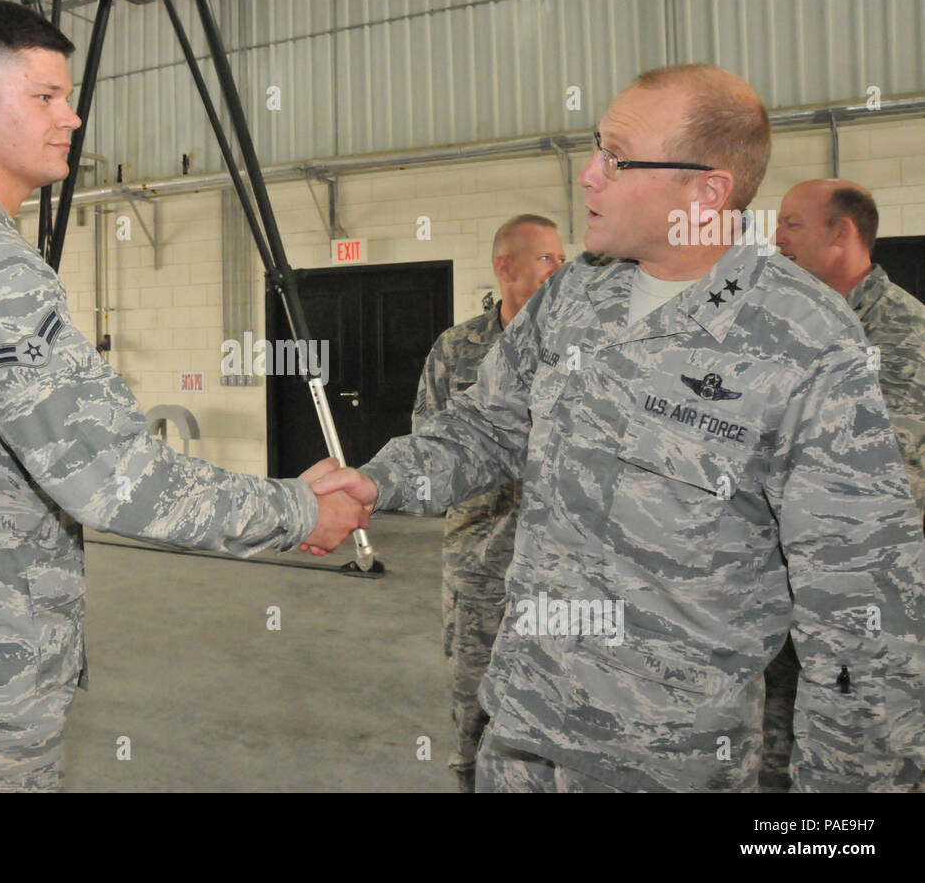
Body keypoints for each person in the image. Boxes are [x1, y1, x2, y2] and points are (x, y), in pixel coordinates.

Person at [305, 63, 925, 792]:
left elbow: (861, 612)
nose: (588, 175)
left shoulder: (805, 339)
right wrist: (378, 479)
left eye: (616, 157)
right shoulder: (579, 289)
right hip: (524, 733)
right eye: (594, 148)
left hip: (666, 764)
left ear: (706, 191)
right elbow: (484, 424)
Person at [0, 0, 367, 792]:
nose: (73, 113)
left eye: (68, 94)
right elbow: (112, 476)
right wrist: (298, 509)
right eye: (45, 96)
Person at [758, 180, 925, 790]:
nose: (776, 240)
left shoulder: (903, 334)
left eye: (792, 225)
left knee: (860, 772)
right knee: (773, 759)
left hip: (863, 604)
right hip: (780, 598)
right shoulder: (792, 333)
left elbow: (873, 469)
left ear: (843, 233)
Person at [413, 214, 564, 792]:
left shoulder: (579, 351)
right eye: (547, 258)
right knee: (475, 710)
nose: (560, 269)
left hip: (562, 572)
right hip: (480, 567)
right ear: (507, 268)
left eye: (561, 257)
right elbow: (430, 447)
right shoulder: (457, 350)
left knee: (555, 714)